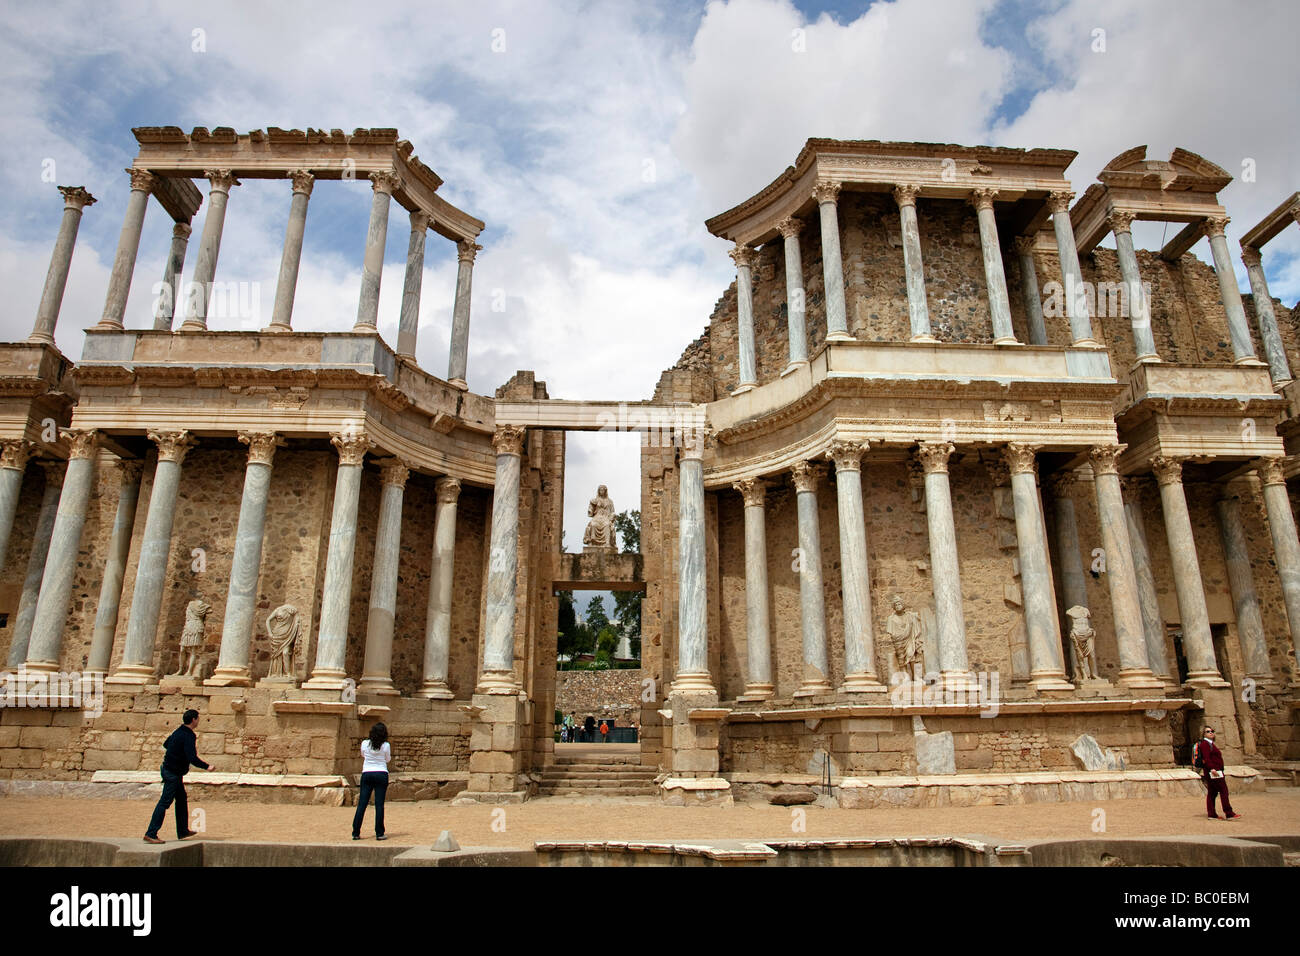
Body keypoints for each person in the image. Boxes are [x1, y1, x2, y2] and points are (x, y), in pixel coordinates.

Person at [144, 708, 209, 844]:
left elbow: (166, 744)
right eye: (198, 718)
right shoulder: (188, 735)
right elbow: (192, 757)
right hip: (172, 773)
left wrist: (176, 755)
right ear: (193, 720)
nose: (198, 721)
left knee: (181, 799)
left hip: (171, 771)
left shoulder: (178, 731)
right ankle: (151, 833)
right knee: (165, 802)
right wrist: (207, 766)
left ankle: (182, 830)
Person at [353, 722, 391, 840]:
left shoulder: (365, 743)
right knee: (379, 805)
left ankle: (356, 832)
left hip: (367, 773)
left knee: (362, 804)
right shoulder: (386, 745)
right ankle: (379, 833)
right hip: (381, 773)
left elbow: (363, 755)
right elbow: (388, 759)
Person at [1195, 726, 1240, 820]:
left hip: (1214, 771)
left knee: (1212, 792)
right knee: (1223, 790)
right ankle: (1229, 813)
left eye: (1212, 731)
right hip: (1214, 771)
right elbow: (1206, 758)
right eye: (1208, 731)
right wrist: (1212, 768)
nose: (1211, 733)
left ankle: (1212, 814)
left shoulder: (1210, 744)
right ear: (1204, 734)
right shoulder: (1205, 744)